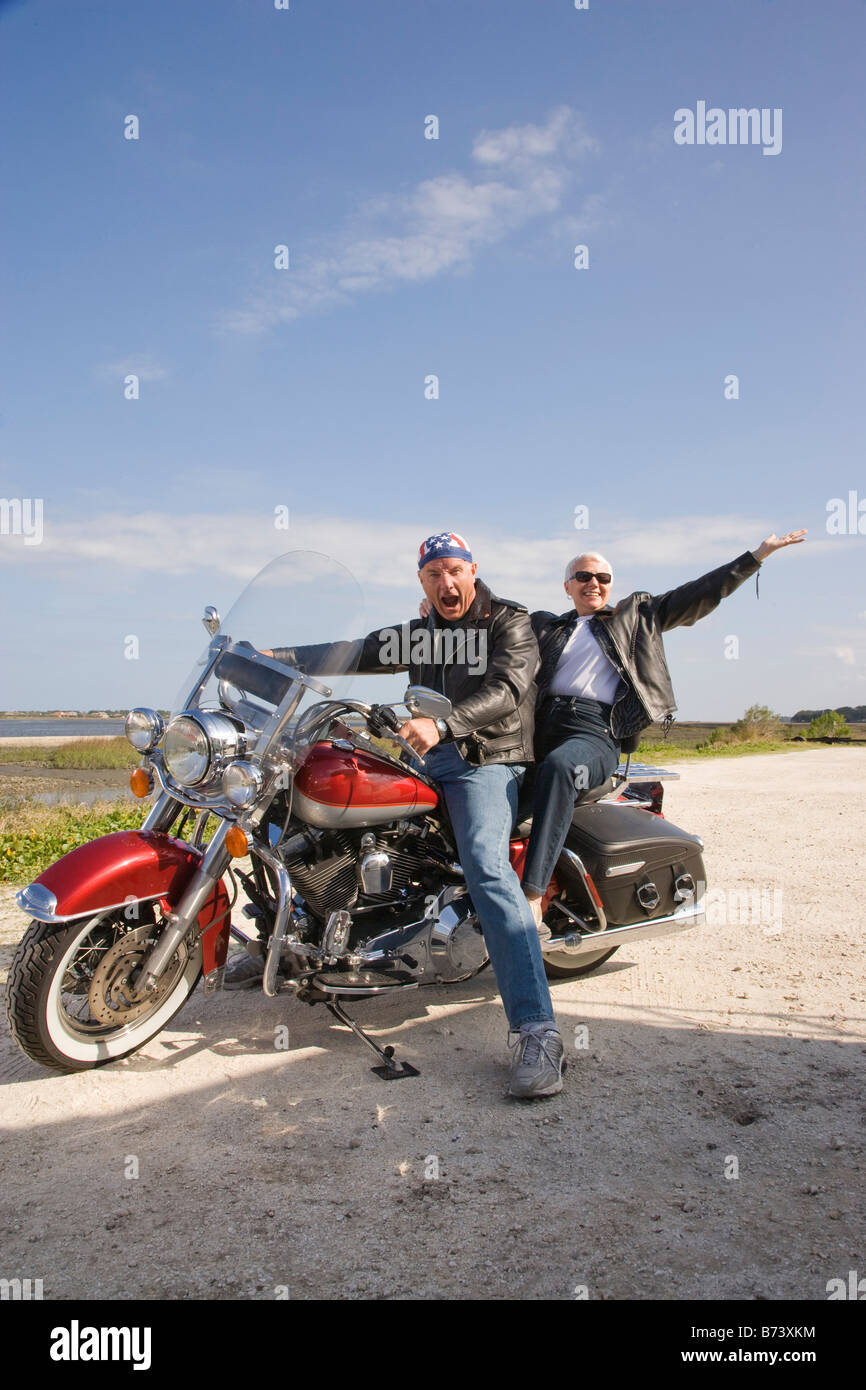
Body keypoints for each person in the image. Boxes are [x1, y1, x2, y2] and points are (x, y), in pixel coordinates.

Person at [225, 531, 566, 1099]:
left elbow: (509, 688)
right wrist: (268, 659)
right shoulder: (420, 633)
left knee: (485, 868)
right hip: (426, 755)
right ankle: (285, 940)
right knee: (293, 806)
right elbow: (353, 652)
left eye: (455, 571)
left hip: (486, 757)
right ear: (422, 581)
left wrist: (445, 722)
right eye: (434, 575)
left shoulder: (509, 622)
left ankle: (538, 1031)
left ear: (473, 571)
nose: (446, 583)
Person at [520, 530, 806, 930]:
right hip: (540, 728)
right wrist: (433, 616)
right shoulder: (544, 626)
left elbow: (698, 594)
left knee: (562, 766)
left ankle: (532, 894)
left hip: (595, 731)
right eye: (584, 576)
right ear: (568, 585)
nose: (594, 584)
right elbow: (487, 632)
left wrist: (755, 557)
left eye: (603, 578)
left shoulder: (635, 618)